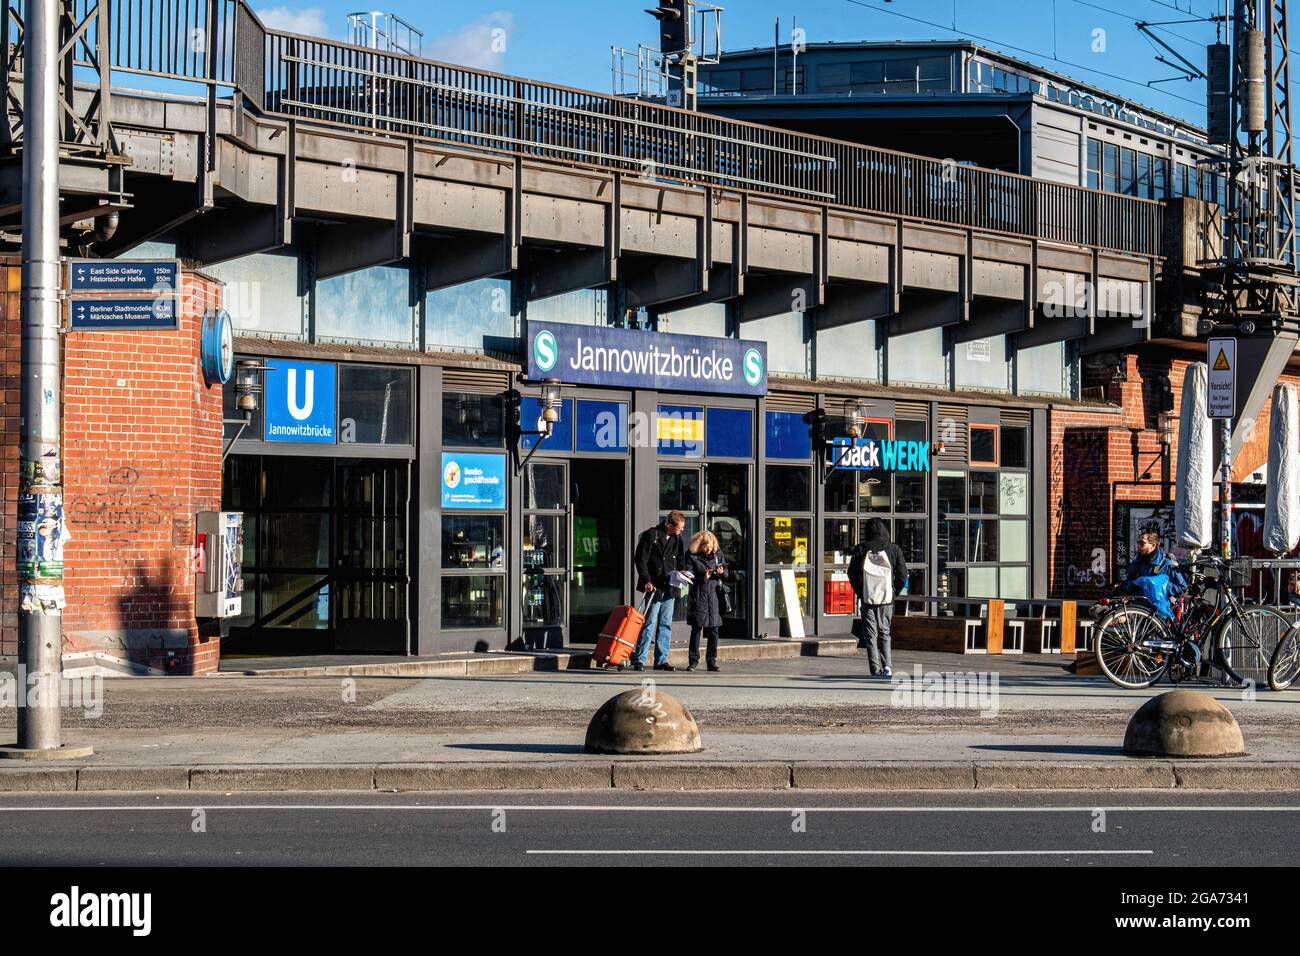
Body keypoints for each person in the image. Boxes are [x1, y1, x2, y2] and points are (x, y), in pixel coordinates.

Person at [849, 516, 908, 678]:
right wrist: (893, 592)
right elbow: (903, 574)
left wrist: (861, 592)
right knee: (885, 632)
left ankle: (875, 670)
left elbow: (851, 574)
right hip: (887, 599)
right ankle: (887, 666)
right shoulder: (893, 549)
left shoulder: (861, 549)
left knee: (870, 635)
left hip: (867, 597)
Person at [632, 511, 688, 671]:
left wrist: (684, 573)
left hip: (670, 585)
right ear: (669, 525)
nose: (681, 531)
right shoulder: (652, 535)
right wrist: (646, 580)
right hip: (654, 585)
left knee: (666, 623)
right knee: (649, 622)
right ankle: (640, 658)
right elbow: (640, 559)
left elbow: (681, 559)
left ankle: (661, 660)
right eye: (679, 528)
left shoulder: (677, 539)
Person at [685, 530, 725, 672]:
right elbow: (688, 576)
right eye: (703, 546)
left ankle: (711, 661)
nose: (707, 549)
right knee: (697, 628)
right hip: (699, 594)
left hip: (713, 594)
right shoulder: (692, 556)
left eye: (709, 546)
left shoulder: (718, 554)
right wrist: (703, 577)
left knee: (714, 629)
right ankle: (693, 661)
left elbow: (725, 572)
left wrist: (721, 573)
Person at [1123, 530, 1186, 618]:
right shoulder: (1136, 562)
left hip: (1159, 614)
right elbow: (1128, 584)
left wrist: (1159, 584)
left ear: (1153, 545)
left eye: (1142, 543)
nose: (1138, 546)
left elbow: (1181, 588)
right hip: (1138, 610)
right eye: (1138, 543)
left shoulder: (1166, 563)